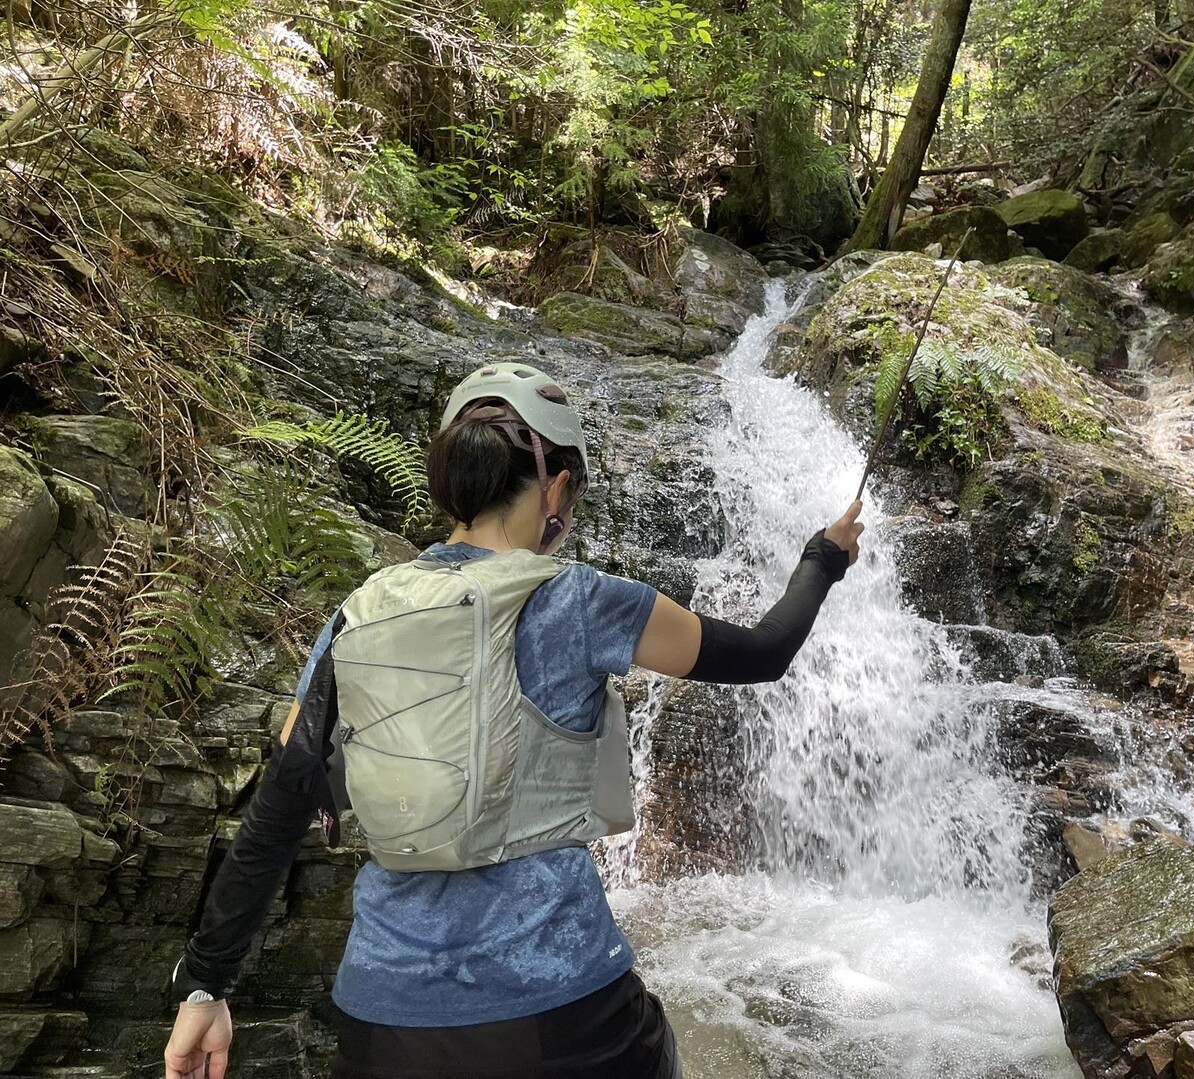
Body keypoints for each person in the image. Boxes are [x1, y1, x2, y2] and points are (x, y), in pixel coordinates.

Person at [163, 361, 864, 1079]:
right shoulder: (582, 599)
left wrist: (206, 983)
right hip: (560, 1013)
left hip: (384, 1018)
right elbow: (763, 651)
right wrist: (822, 558)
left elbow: (280, 800)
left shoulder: (359, 611)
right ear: (557, 488)